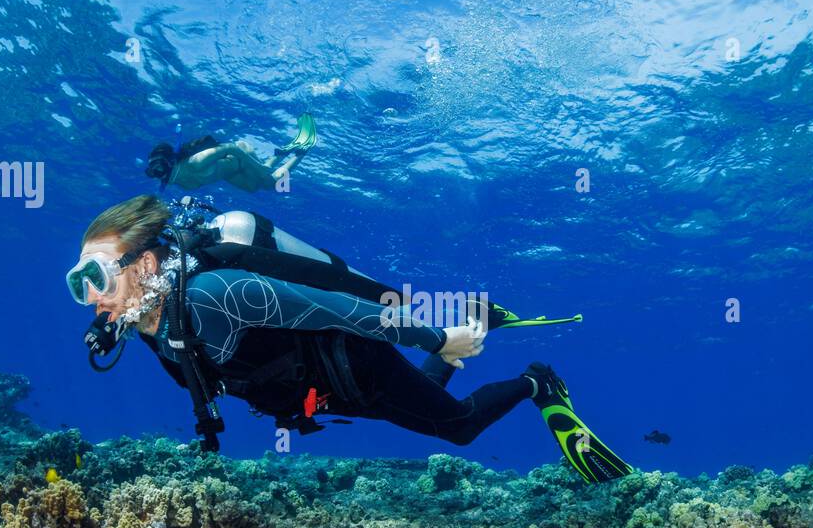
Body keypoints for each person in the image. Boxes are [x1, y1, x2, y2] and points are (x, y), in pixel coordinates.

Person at [66, 195, 632, 482]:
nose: (92, 297)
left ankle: (538, 383)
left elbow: (344, 308)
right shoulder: (146, 320)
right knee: (422, 409)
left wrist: (434, 339)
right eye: (79, 282)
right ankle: (477, 320)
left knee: (457, 428)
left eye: (98, 277)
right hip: (326, 395)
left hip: (357, 366)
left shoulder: (215, 294)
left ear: (143, 265)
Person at [145, 114, 316, 194]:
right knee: (253, 187)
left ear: (171, 160)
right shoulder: (180, 183)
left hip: (239, 154)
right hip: (229, 171)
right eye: (155, 169)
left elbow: (232, 148)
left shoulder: (194, 162)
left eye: (160, 166)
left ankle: (302, 151)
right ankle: (280, 153)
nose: (159, 172)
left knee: (269, 182)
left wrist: (258, 167)